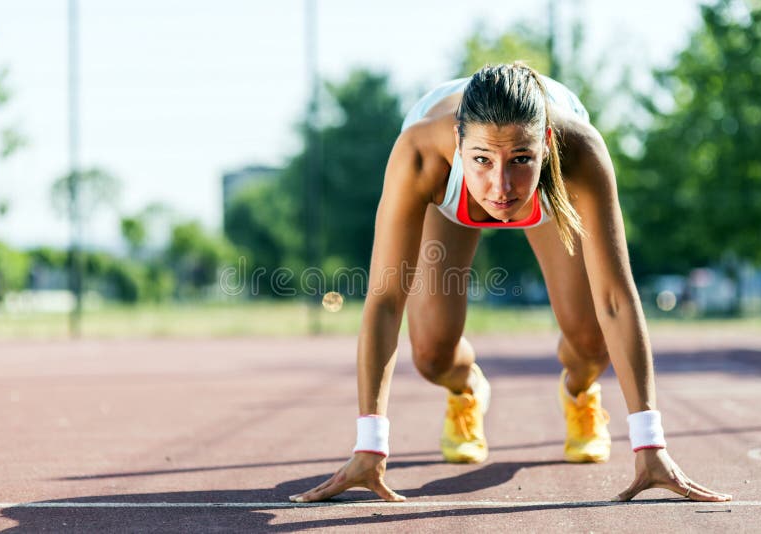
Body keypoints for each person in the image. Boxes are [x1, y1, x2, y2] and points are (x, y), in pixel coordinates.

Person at [289, 63, 732, 503]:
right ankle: (466, 390)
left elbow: (616, 299)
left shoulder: (579, 150)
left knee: (592, 340)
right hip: (447, 192)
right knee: (431, 354)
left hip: (550, 187)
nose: (501, 186)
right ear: (459, 143)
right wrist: (370, 444)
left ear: (546, 143)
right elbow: (385, 300)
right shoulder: (421, 153)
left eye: (520, 159)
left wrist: (650, 443)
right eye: (482, 160)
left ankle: (578, 393)